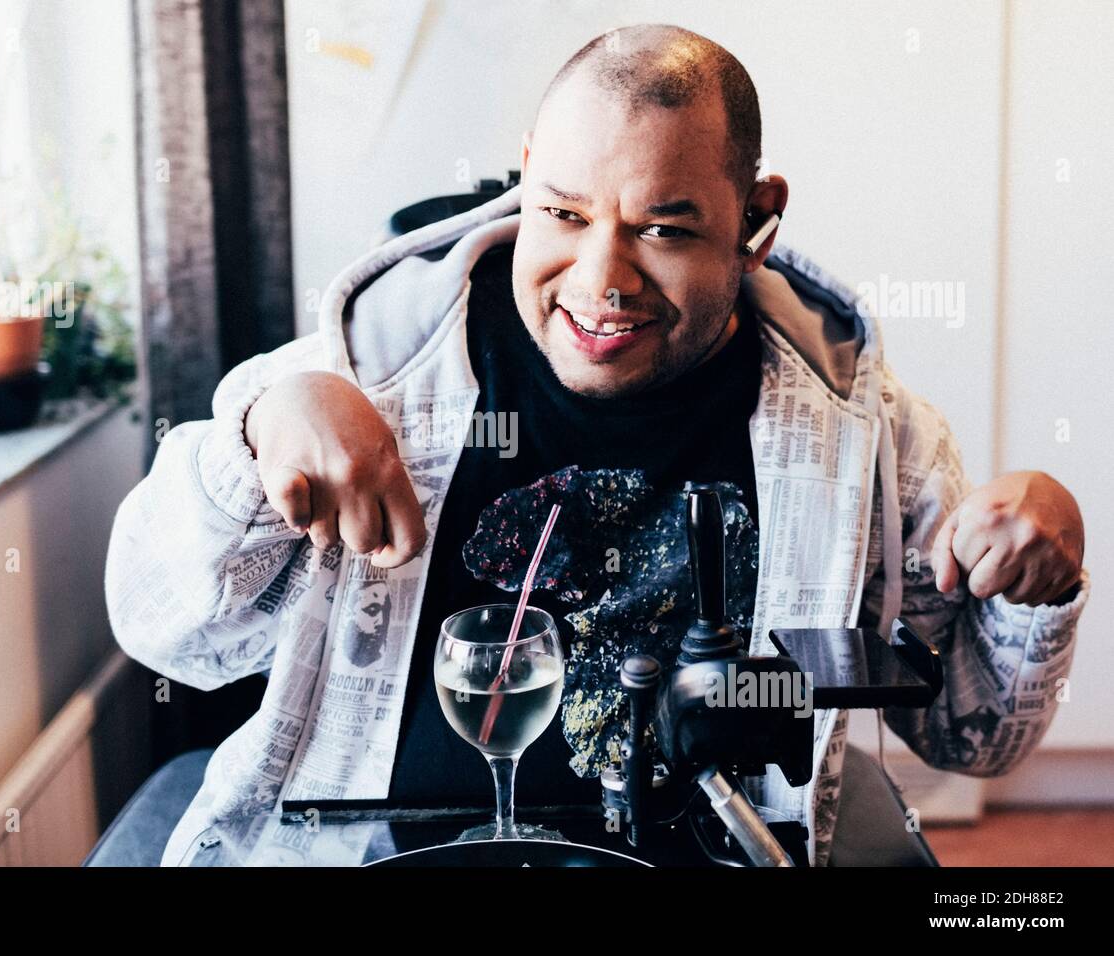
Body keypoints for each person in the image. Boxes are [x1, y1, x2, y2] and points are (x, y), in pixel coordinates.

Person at [104, 24, 1088, 866]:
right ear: (526, 170)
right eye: (564, 213)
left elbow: (972, 733)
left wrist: (1038, 577)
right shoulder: (363, 368)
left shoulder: (866, 431)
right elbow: (164, 630)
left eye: (663, 227)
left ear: (755, 219)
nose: (601, 279)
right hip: (389, 850)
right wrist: (259, 430)